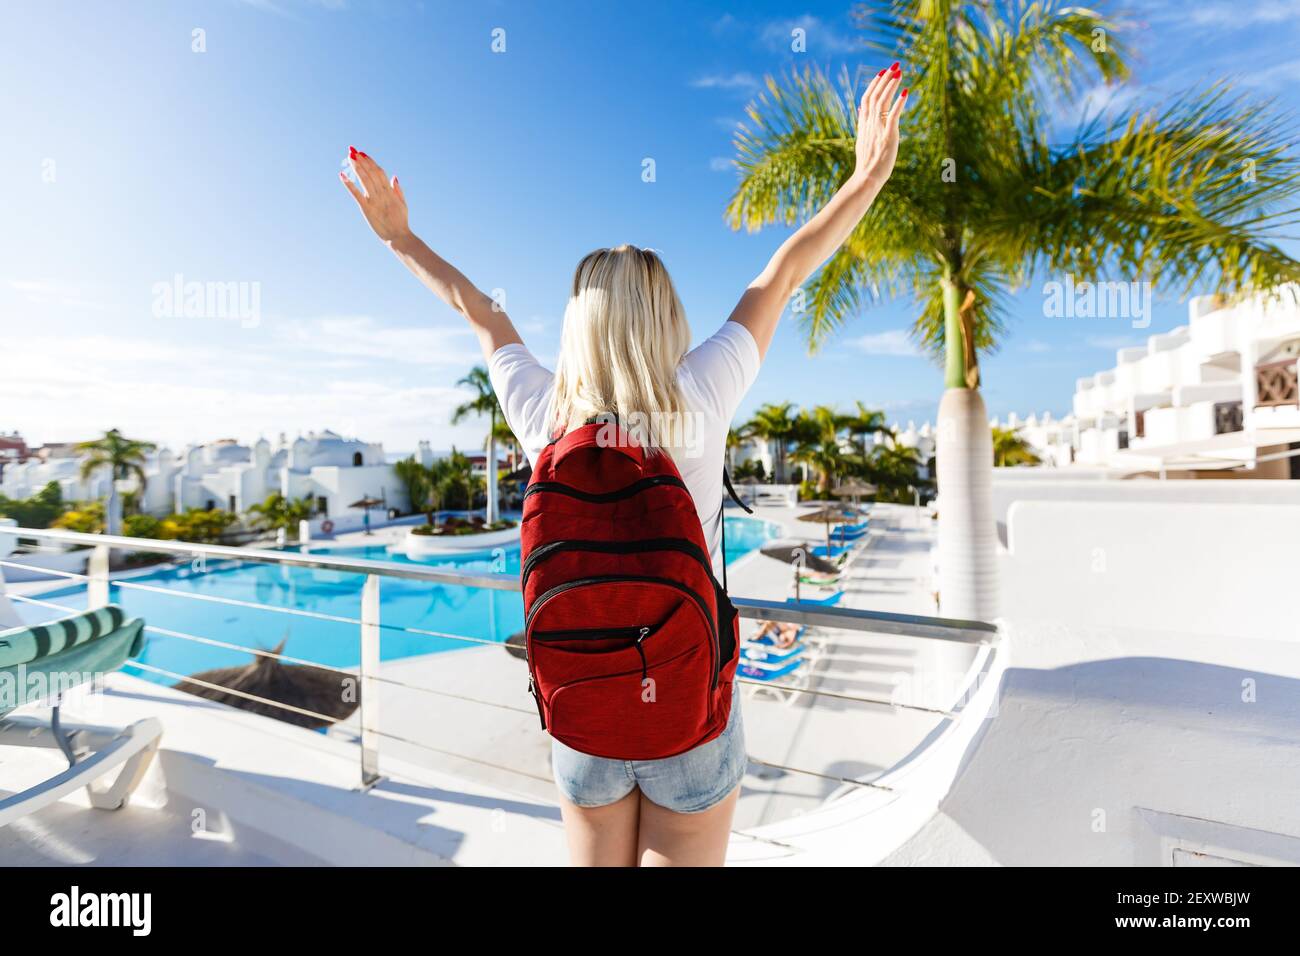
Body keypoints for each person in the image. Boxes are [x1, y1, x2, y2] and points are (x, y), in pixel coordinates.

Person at [340, 64, 908, 866]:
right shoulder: (701, 395)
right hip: (689, 709)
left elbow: (481, 311)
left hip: (585, 710)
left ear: (576, 325)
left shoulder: (545, 415)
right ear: (667, 316)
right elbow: (783, 272)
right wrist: (865, 177)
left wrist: (400, 238)